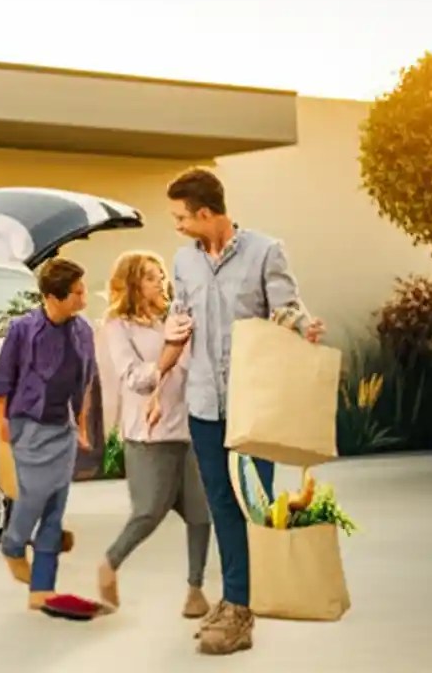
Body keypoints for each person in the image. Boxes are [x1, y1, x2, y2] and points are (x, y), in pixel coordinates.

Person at [159, 168, 325, 655]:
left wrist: (303, 325)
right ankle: (236, 600)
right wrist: (165, 354)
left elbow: (286, 309)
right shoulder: (184, 262)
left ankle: (241, 607)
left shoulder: (265, 252)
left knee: (253, 504)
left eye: (182, 217)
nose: (178, 226)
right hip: (205, 405)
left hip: (254, 404)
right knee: (221, 505)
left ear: (206, 213)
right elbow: (179, 315)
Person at [95, 251, 211, 618]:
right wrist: (167, 359)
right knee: (148, 511)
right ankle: (109, 564)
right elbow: (134, 377)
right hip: (149, 434)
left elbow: (193, 365)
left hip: (190, 427)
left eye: (161, 274)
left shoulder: (175, 318)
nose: (159, 281)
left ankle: (195, 590)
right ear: (132, 284)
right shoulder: (118, 326)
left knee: (200, 512)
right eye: (149, 276)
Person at [0, 257, 94, 611]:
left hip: (61, 429)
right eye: (77, 292)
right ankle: (13, 543)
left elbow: (85, 382)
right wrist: (1, 420)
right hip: (28, 424)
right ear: (54, 296)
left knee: (55, 508)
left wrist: (80, 426)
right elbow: (3, 379)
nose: (84, 299)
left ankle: (42, 588)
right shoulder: (22, 329)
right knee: (33, 497)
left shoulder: (84, 331)